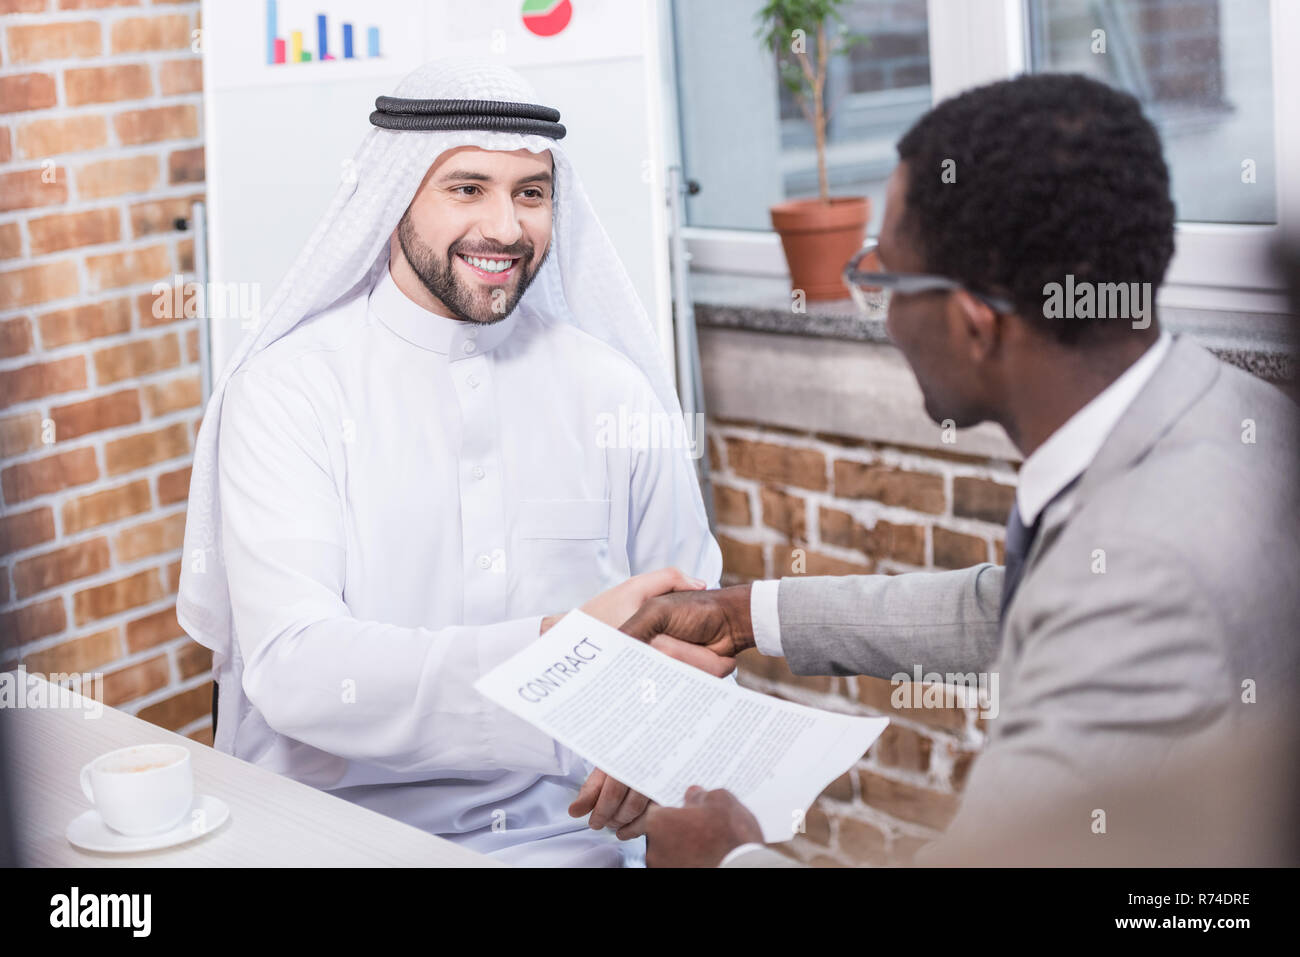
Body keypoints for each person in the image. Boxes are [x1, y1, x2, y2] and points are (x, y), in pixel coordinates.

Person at [620, 73, 1300, 867]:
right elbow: (1013, 606)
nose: (882, 314)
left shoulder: (1143, 585)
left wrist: (726, 857)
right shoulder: (1226, 408)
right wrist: (744, 614)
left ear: (973, 321)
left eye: (883, 281)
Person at [177, 58, 725, 867]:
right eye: (467, 188)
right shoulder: (290, 393)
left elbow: (692, 632)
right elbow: (298, 666)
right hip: (330, 837)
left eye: (530, 193)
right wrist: (558, 649)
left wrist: (664, 749)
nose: (505, 227)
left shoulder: (614, 392)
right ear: (394, 196)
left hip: (571, 838)